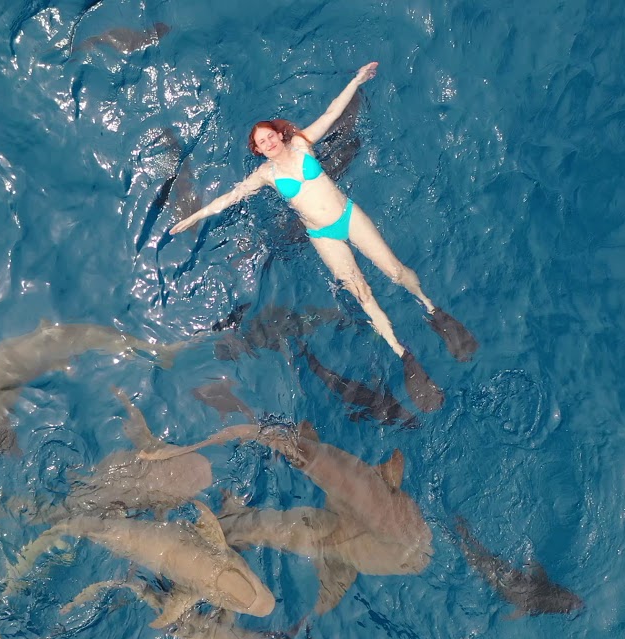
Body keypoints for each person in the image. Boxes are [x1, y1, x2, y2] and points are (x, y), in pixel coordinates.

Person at [167, 61, 477, 413]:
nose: (268, 143)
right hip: (321, 235)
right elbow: (229, 197)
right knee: (361, 292)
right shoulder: (265, 175)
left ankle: (432, 309)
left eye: (269, 136)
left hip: (348, 216)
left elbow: (332, 112)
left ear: (279, 135)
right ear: (258, 150)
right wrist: (194, 216)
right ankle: (402, 353)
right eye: (260, 143)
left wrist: (357, 79)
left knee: (396, 271)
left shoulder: (302, 143)